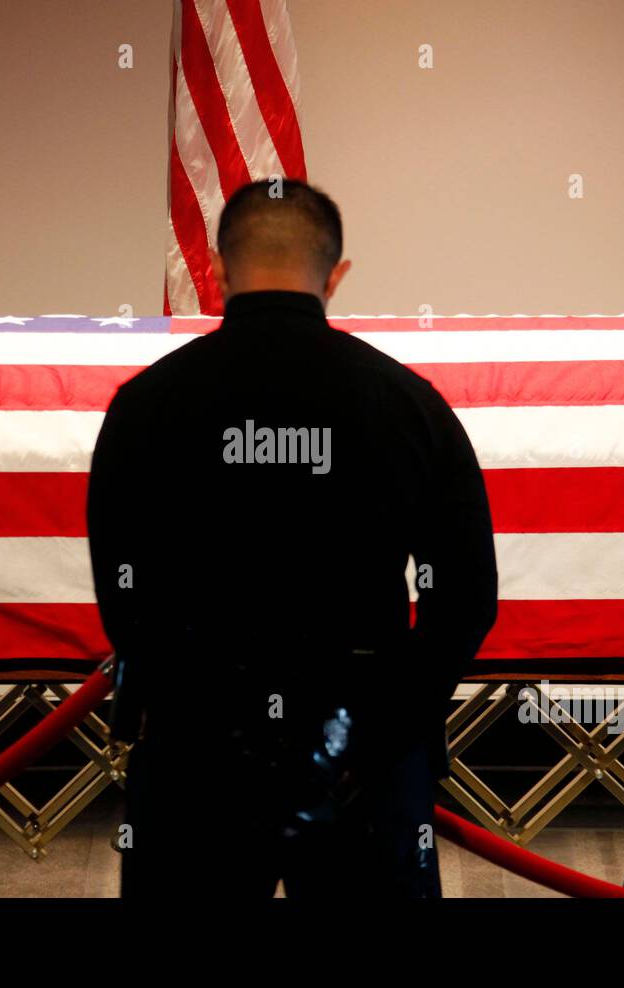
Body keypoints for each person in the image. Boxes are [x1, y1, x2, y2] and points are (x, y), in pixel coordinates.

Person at [86, 178, 498, 898]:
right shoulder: (409, 404)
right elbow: (465, 598)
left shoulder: (145, 406)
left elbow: (125, 598)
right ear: (336, 275)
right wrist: (382, 731)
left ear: (216, 270)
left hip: (195, 749)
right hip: (362, 750)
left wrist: (194, 716)